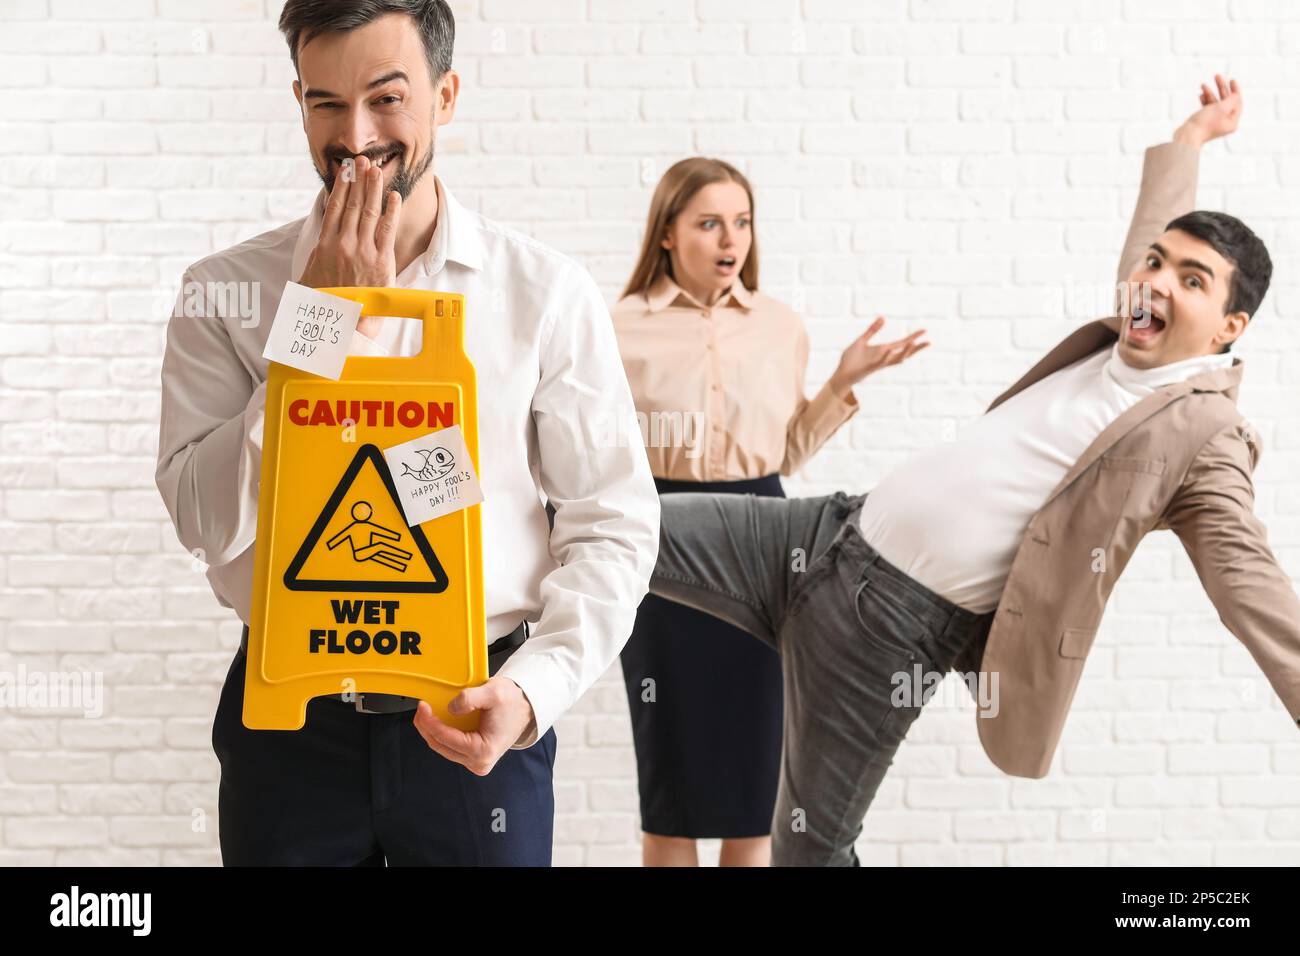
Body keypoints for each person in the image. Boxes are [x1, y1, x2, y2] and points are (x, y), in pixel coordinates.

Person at [646, 76, 1300, 866]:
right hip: (824, 531)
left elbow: (1247, 580)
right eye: (1156, 264)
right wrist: (1190, 141)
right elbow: (1149, 249)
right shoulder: (1131, 330)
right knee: (612, 526)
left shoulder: (1207, 433)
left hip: (887, 632)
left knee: (806, 853)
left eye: (1191, 280)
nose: (1157, 281)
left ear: (1230, 330)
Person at [154, 0, 659, 866]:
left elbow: (613, 521)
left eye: (387, 98)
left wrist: (533, 691)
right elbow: (205, 523)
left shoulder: (543, 293)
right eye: (325, 103)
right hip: (291, 728)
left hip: (475, 714)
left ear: (446, 95)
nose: (355, 135)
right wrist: (320, 326)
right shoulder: (223, 292)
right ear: (299, 101)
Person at [612, 157, 928, 866]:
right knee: (672, 779)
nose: (732, 239)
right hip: (664, 538)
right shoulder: (615, 327)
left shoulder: (779, 326)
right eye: (710, 223)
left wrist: (844, 381)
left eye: (743, 222)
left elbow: (786, 452)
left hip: (765, 536)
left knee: (758, 782)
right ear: (667, 233)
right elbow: (600, 452)